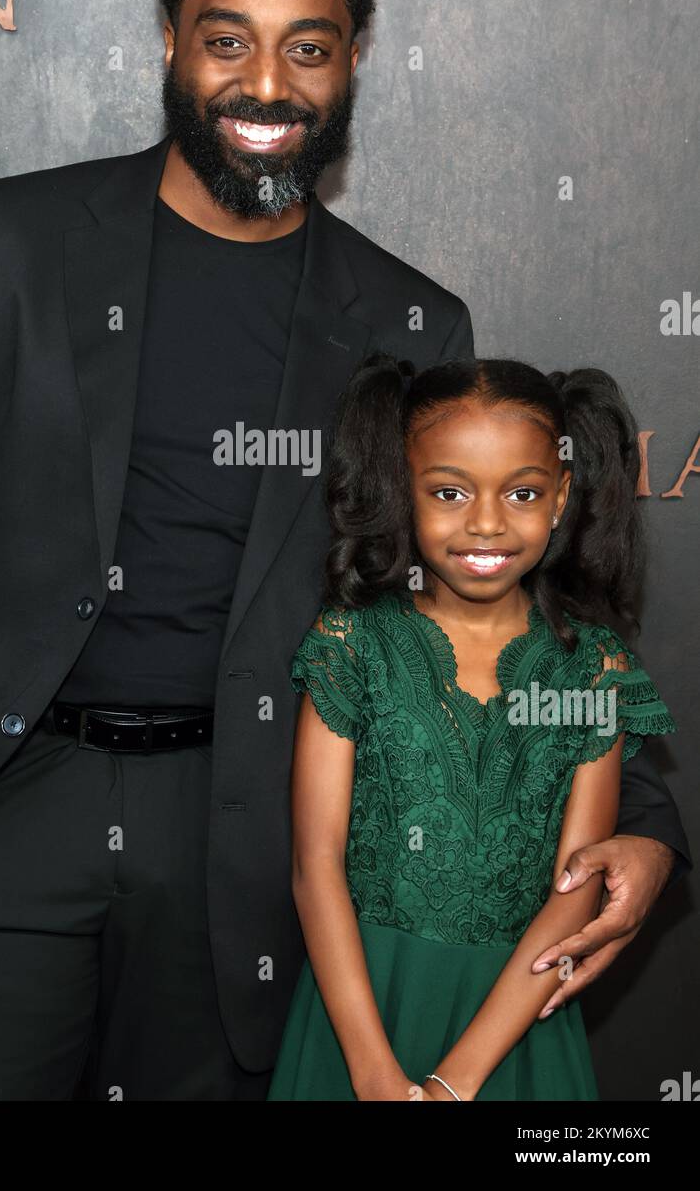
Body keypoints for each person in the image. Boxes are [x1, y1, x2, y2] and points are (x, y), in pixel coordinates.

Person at [0, 0, 690, 1101]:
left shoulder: (406, 320)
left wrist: (642, 820)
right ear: (171, 41)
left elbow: (485, 596)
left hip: (247, 843)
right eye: (227, 41)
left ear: (352, 63)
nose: (267, 86)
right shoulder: (11, 244)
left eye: (308, 48)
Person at [267, 353, 682, 1101]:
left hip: (516, 1023)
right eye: (450, 492)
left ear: (560, 498)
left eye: (522, 493)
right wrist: (373, 1074)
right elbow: (315, 864)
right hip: (360, 1012)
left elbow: (575, 888)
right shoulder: (351, 645)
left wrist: (453, 1086)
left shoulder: (596, 670)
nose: (486, 522)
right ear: (404, 490)